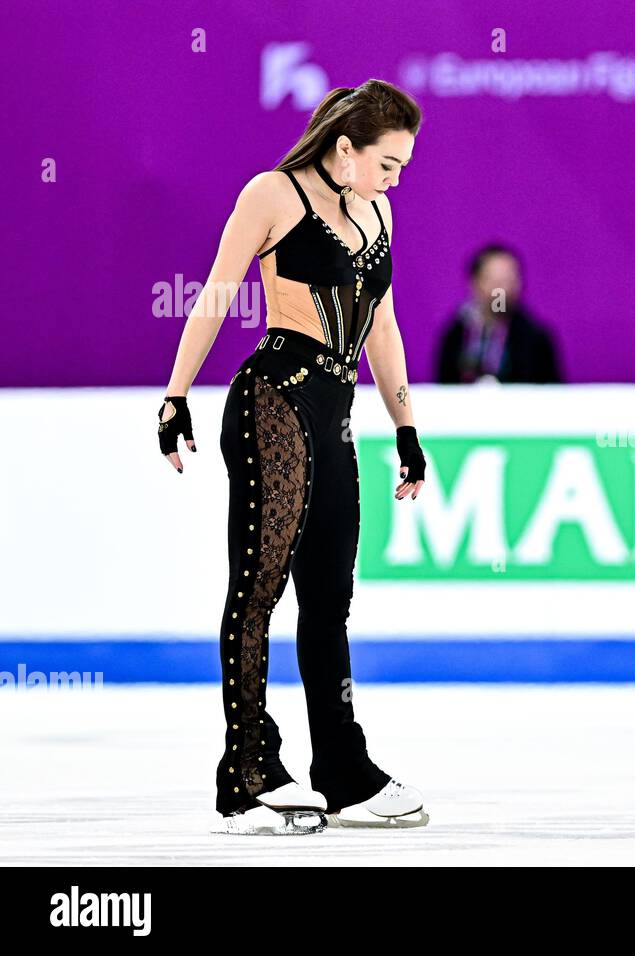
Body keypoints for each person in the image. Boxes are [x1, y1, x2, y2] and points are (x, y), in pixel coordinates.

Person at [157, 79, 432, 834]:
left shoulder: (378, 210)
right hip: (272, 403)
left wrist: (405, 428)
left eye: (403, 166)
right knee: (259, 588)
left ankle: (343, 772)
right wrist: (176, 394)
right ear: (346, 150)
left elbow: (382, 326)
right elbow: (215, 293)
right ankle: (245, 772)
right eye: (388, 162)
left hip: (336, 416)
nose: (396, 177)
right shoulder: (273, 195)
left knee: (330, 602)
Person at [435, 244, 563, 384]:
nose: (503, 290)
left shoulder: (535, 338)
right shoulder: (456, 335)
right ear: (475, 283)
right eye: (496, 281)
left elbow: (551, 393)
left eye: (510, 280)